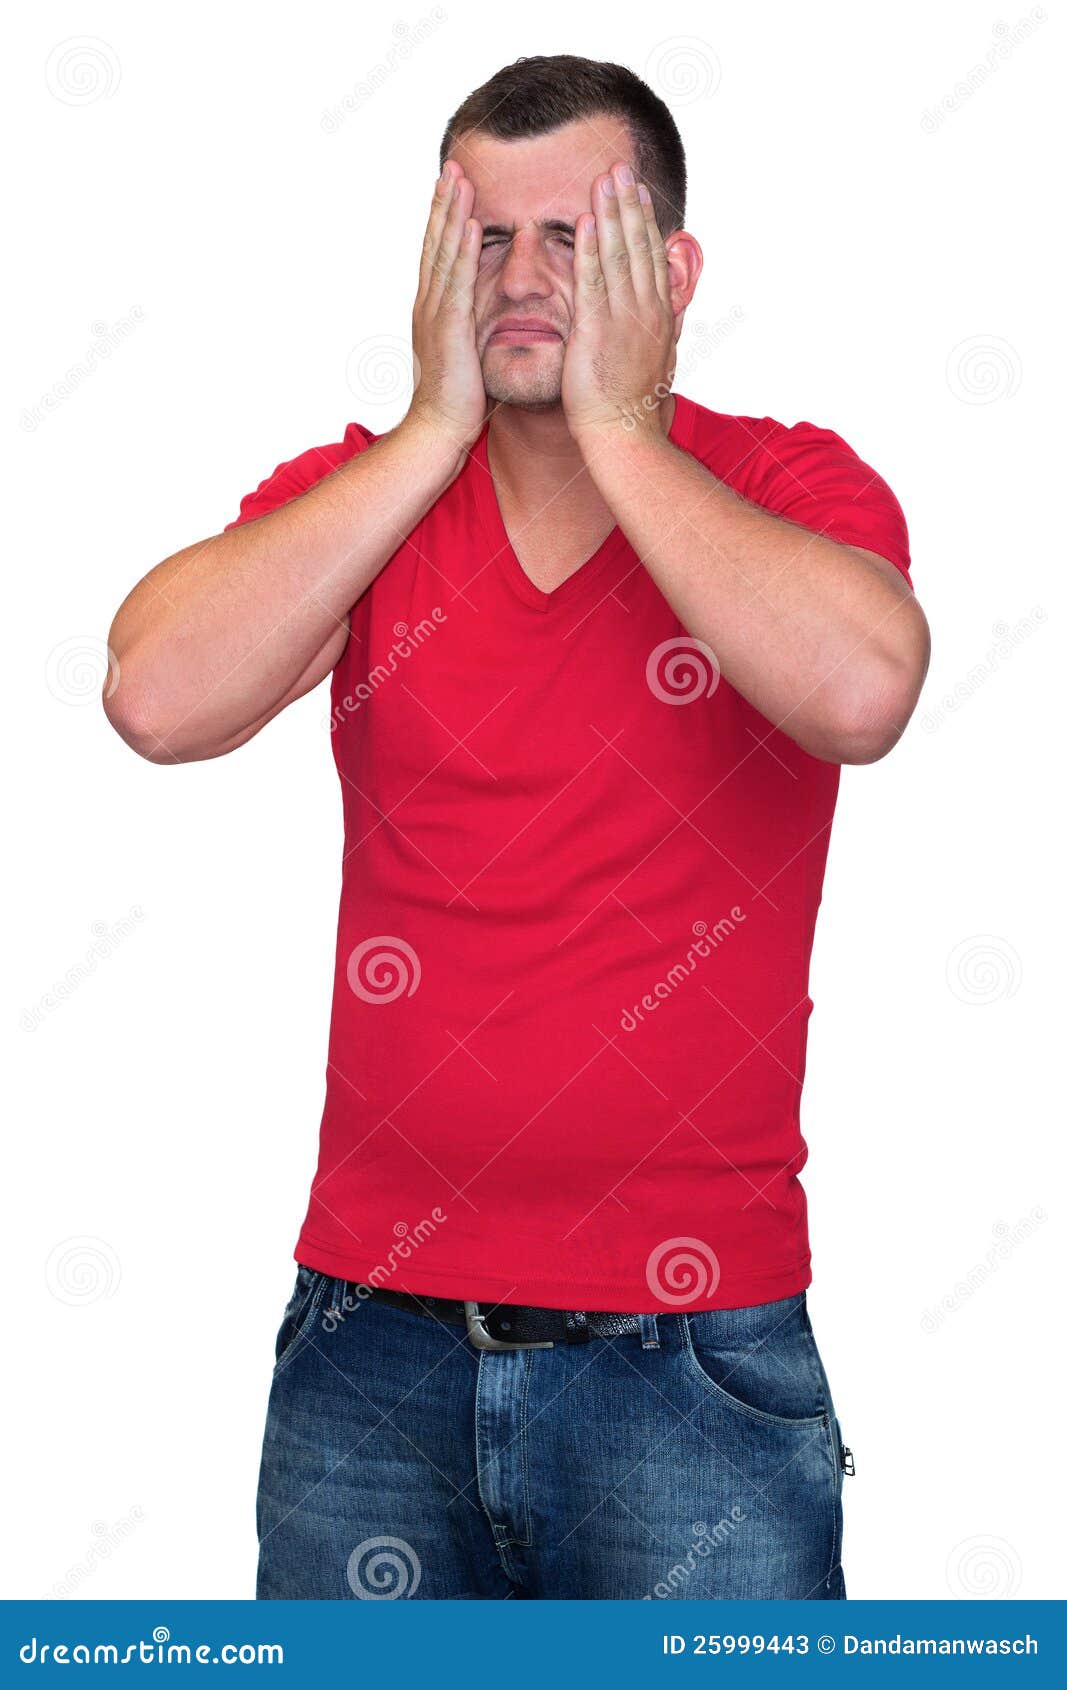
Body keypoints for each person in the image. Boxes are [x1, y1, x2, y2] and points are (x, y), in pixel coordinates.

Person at [103, 55, 929, 1600]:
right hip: (370, 1349)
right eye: (486, 239)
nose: (525, 278)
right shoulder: (360, 498)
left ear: (671, 270)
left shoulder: (781, 482)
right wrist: (429, 431)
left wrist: (623, 428)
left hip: (695, 1367)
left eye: (575, 236)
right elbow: (157, 697)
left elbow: (864, 690)